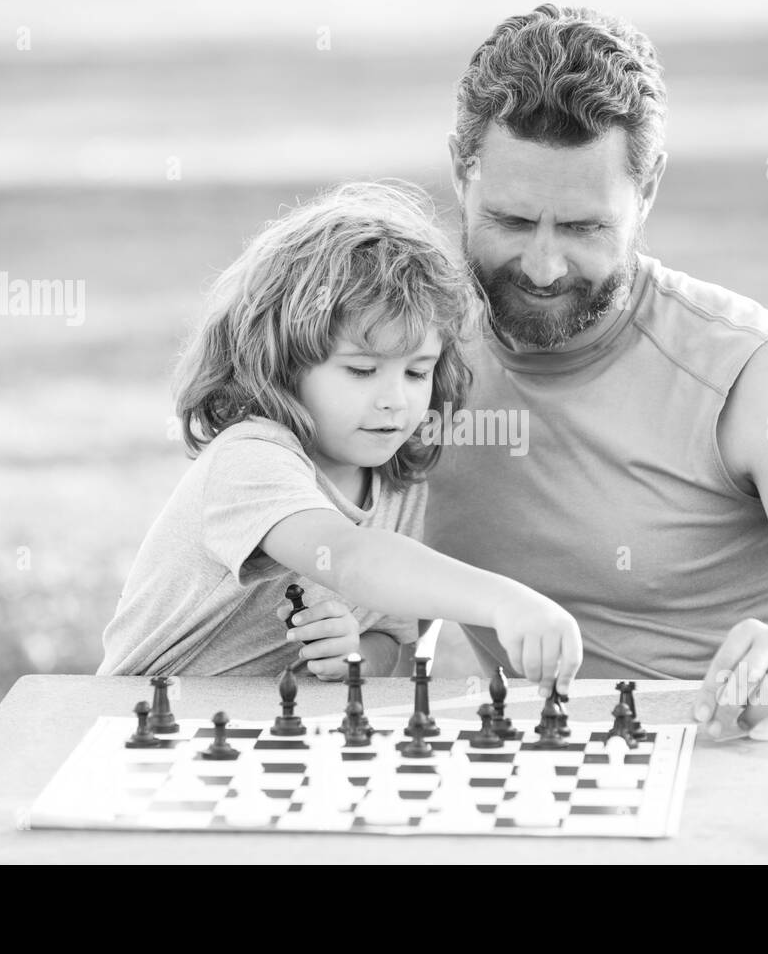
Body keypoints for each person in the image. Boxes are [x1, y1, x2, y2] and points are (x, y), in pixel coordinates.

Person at [423, 5, 768, 737]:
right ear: (461, 172)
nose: (544, 267)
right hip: (537, 775)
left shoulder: (758, 375)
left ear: (647, 192)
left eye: (583, 228)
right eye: (513, 222)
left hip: (735, 760)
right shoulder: (409, 360)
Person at [98, 181, 582, 695]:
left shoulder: (403, 484)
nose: (395, 399)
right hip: (138, 722)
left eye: (417, 373)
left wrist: (354, 653)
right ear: (284, 364)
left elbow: (388, 642)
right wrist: (506, 601)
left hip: (273, 736)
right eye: (361, 370)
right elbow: (352, 559)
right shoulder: (250, 461)